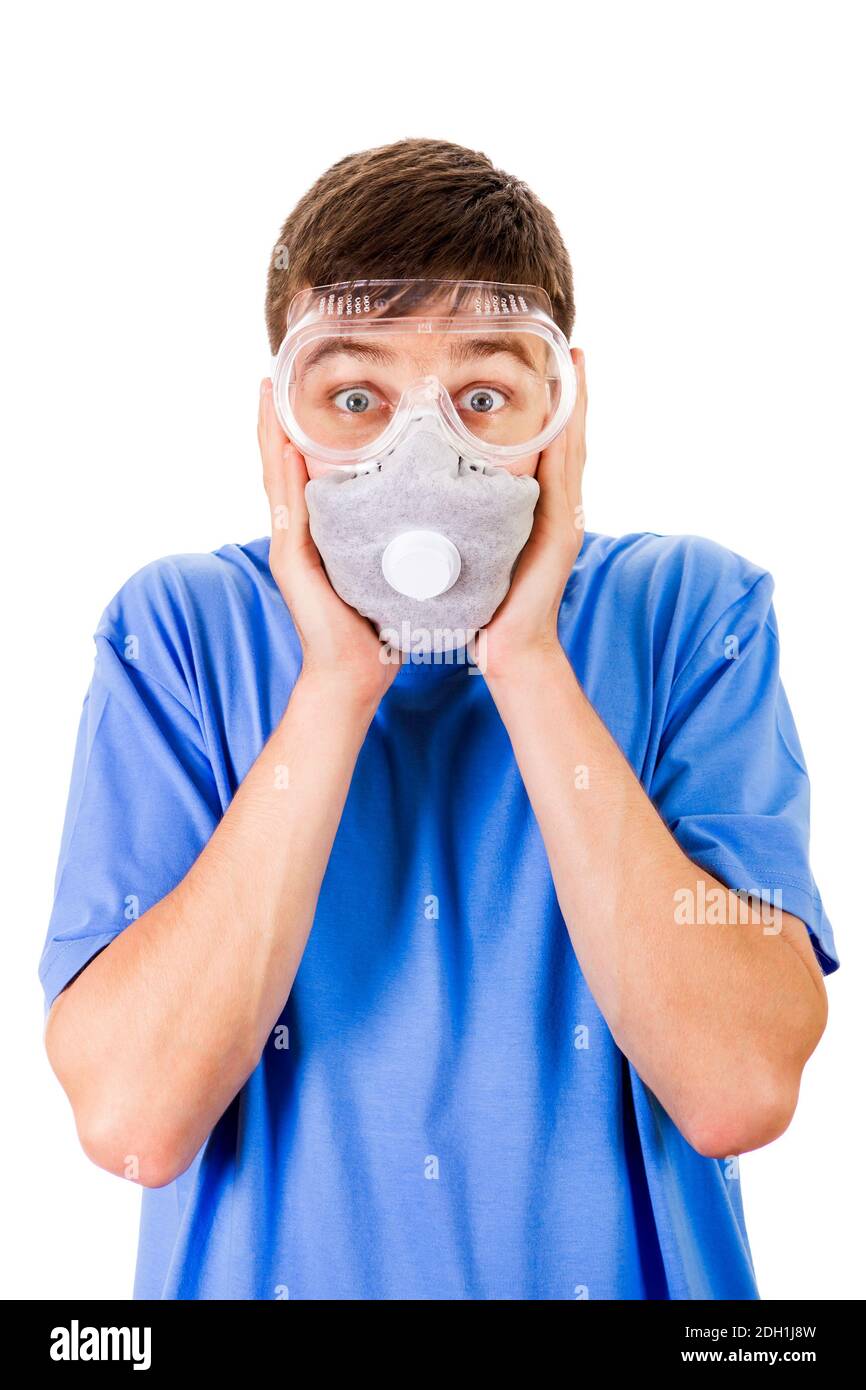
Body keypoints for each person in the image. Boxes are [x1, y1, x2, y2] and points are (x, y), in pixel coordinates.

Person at [38, 136, 837, 1301]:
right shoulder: (180, 631)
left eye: (482, 396)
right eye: (354, 396)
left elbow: (736, 1089)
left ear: (557, 420)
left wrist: (524, 656)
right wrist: (332, 686)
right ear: (282, 430)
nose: (424, 452)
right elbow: (131, 1122)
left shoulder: (686, 613)